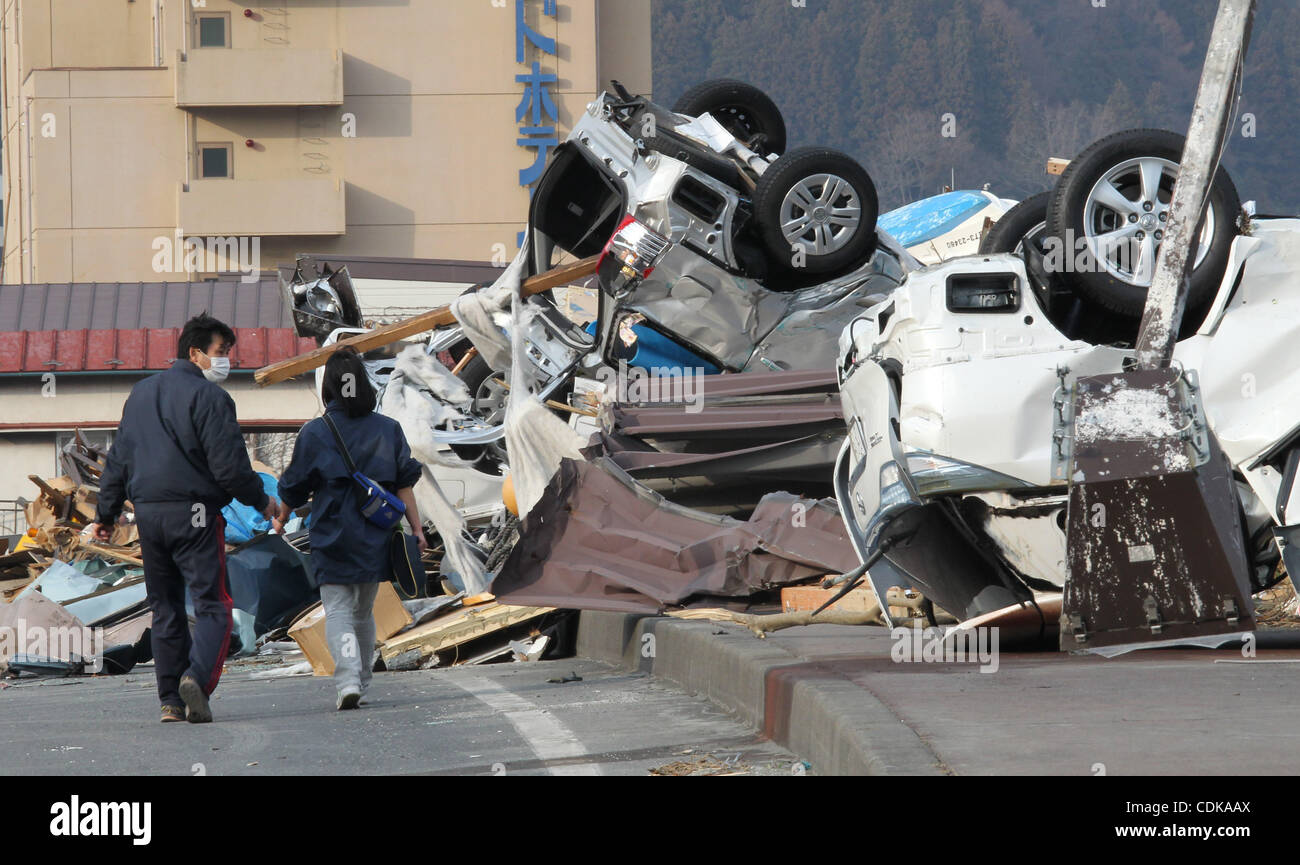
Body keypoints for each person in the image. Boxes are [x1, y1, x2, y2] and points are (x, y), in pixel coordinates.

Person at [90, 313, 278, 724]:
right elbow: (229, 469)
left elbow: (118, 460)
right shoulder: (212, 399)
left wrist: (105, 514)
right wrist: (263, 502)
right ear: (195, 353)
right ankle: (197, 679)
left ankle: (171, 701)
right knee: (214, 605)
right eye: (221, 352)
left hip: (149, 516)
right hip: (194, 513)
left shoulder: (139, 394)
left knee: (165, 608)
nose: (226, 360)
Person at [275, 346, 426, 711]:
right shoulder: (388, 429)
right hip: (375, 536)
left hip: (332, 533)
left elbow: (294, 486)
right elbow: (404, 484)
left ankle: (347, 682)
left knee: (339, 609)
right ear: (362, 384)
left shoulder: (315, 432)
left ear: (329, 386)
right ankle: (363, 677)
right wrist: (417, 530)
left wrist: (280, 518)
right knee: (362, 610)